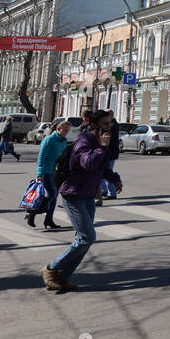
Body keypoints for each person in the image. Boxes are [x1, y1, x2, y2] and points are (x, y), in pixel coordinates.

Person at [41, 109, 123, 292]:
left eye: (110, 123)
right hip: (73, 194)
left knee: (83, 239)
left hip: (87, 195)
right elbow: (89, 163)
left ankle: (61, 278)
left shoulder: (102, 142)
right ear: (94, 125)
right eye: (105, 124)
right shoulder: (84, 141)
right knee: (87, 237)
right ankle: (50, 269)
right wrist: (102, 147)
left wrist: (114, 178)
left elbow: (101, 167)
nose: (109, 127)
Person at [29, 120, 69, 230]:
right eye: (64, 130)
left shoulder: (63, 141)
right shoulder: (48, 140)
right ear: (58, 129)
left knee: (54, 197)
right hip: (46, 172)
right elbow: (41, 157)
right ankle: (32, 212)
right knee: (52, 194)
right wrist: (39, 174)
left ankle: (49, 219)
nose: (66, 132)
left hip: (57, 173)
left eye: (67, 131)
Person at [98, 110, 122, 205]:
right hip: (109, 152)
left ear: (110, 115)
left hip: (110, 153)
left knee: (107, 172)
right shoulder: (112, 124)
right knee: (104, 172)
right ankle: (105, 190)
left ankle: (111, 193)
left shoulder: (112, 125)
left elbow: (106, 136)